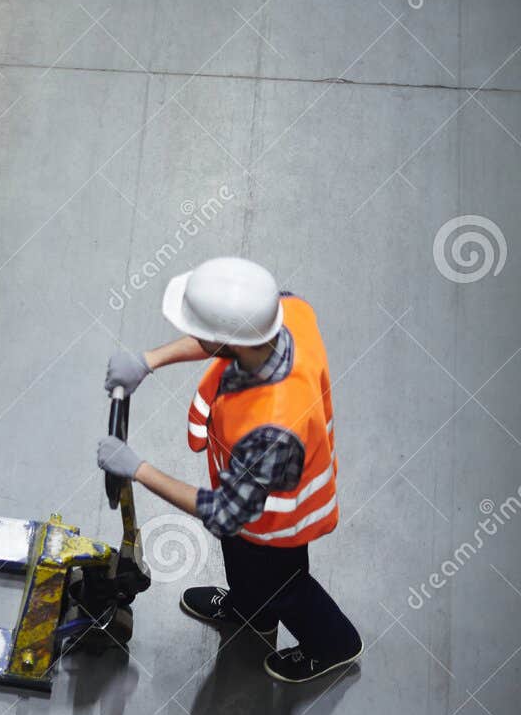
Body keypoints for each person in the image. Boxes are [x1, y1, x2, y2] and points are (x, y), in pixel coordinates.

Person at [95, 257, 363, 683]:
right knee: (241, 558)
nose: (197, 339)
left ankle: (334, 644)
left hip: (277, 520)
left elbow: (223, 513)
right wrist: (149, 360)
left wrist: (137, 468)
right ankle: (250, 612)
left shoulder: (274, 424)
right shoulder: (288, 309)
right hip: (248, 492)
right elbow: (224, 337)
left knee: (284, 583)